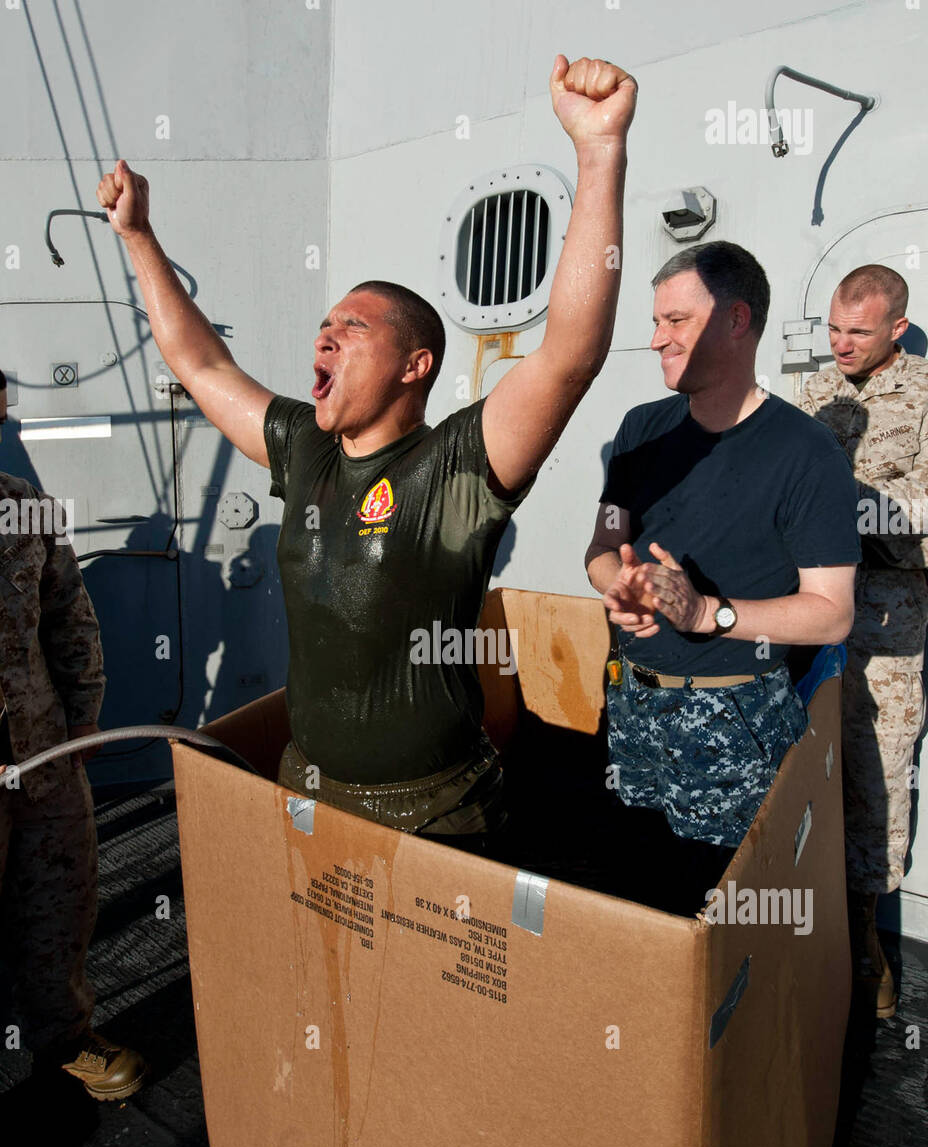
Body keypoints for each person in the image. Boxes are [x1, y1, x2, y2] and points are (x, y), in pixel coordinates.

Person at [95, 55, 637, 845]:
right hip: (307, 791)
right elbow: (201, 363)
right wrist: (140, 238)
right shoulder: (305, 450)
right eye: (326, 323)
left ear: (415, 366)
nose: (327, 332)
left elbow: (569, 354)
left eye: (355, 326)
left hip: (436, 815)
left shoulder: (457, 467)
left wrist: (598, 151)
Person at [585, 241, 860, 857]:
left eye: (675, 321)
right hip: (632, 702)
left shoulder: (808, 454)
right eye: (656, 322)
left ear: (736, 320)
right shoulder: (639, 430)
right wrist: (618, 585)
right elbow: (604, 544)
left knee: (718, 905)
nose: (657, 339)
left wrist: (707, 613)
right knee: (632, 872)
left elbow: (832, 612)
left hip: (733, 721)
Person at [0, 437, 146, 1100]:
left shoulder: (22, 505)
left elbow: (67, 614)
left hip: (41, 752)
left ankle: (64, 1039)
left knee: (62, 898)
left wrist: (84, 712)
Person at [799, 266, 928, 1018]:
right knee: (804, 765)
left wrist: (852, 511)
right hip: (806, 612)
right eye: (835, 330)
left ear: (896, 331)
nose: (841, 345)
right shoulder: (814, 395)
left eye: (859, 333)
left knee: (879, 779)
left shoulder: (922, 394)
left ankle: (864, 946)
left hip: (886, 621)